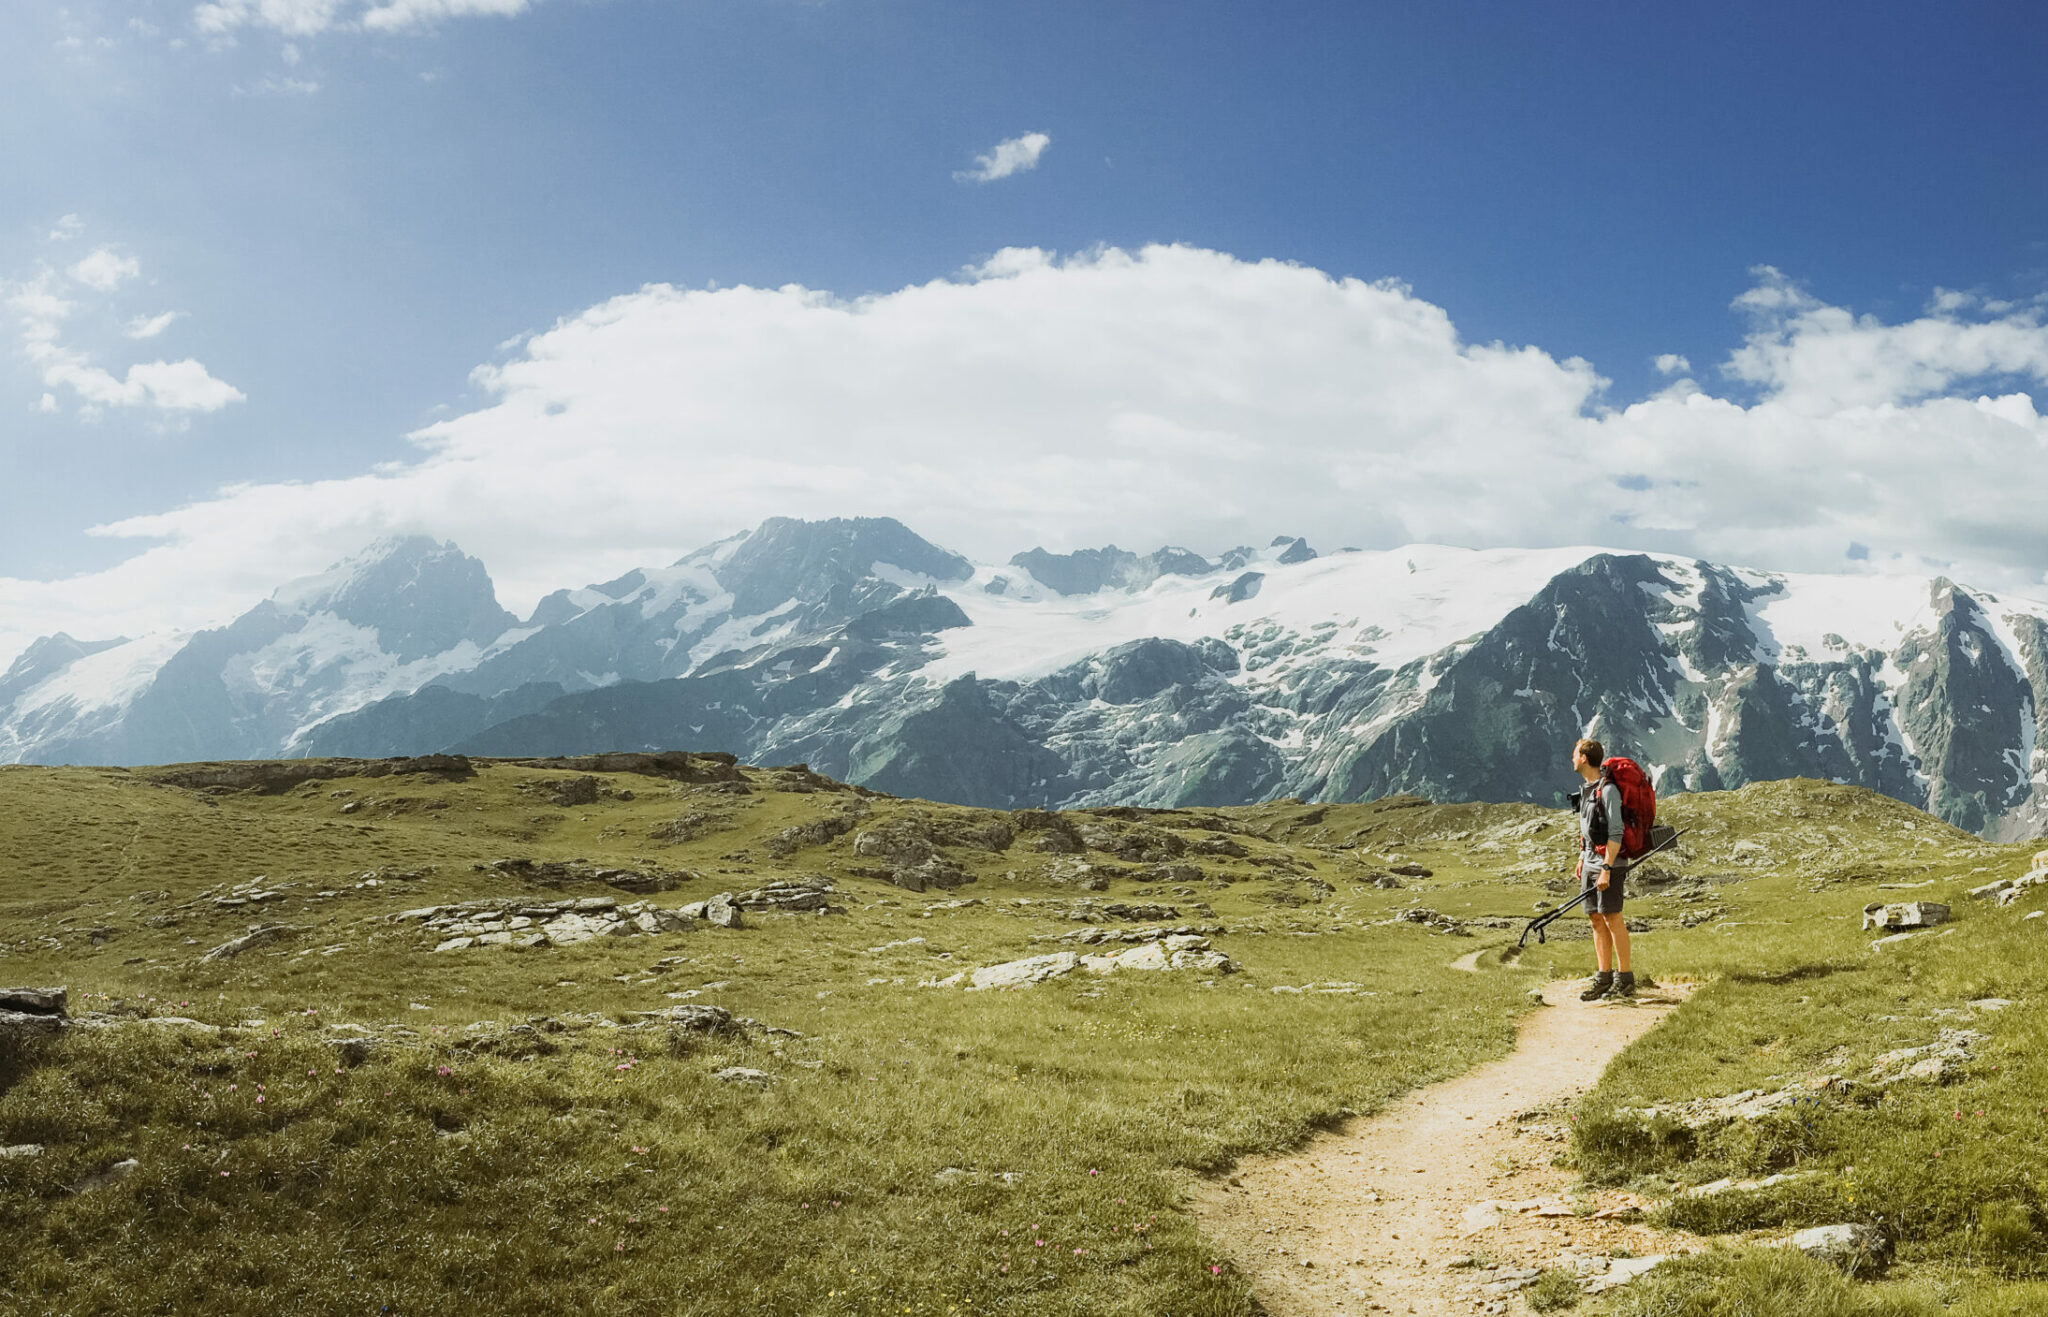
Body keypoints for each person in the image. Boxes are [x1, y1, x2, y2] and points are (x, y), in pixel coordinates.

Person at [1570, 737, 1634, 1000]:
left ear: (1584, 757)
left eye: (1574, 754)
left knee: (1612, 917)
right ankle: (1603, 977)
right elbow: (1588, 831)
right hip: (1590, 863)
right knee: (1596, 919)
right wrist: (1582, 858)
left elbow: (1616, 832)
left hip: (1610, 863)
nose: (1571, 759)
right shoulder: (1587, 790)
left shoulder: (1608, 791)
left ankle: (1625, 978)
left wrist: (1607, 867)